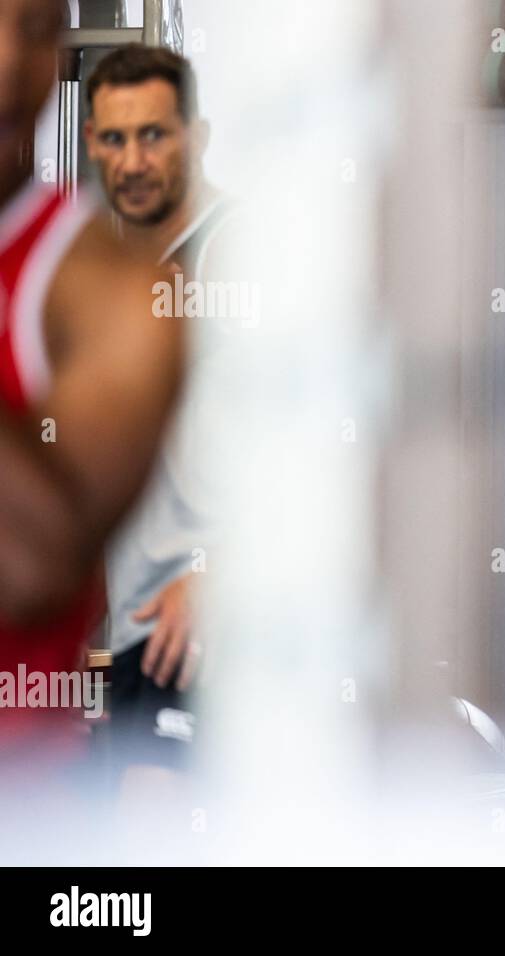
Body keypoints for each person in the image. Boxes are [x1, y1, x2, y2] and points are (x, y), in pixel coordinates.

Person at [0, 0, 182, 775]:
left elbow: (25, 564)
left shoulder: (119, 290)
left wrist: (211, 570)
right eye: (114, 138)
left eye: (38, 32)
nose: (9, 69)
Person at [82, 43, 239, 783]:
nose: (134, 160)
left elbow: (312, 447)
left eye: (154, 134)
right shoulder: (118, 263)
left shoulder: (236, 253)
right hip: (137, 625)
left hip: (207, 620)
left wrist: (214, 577)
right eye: (114, 138)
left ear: (196, 136)